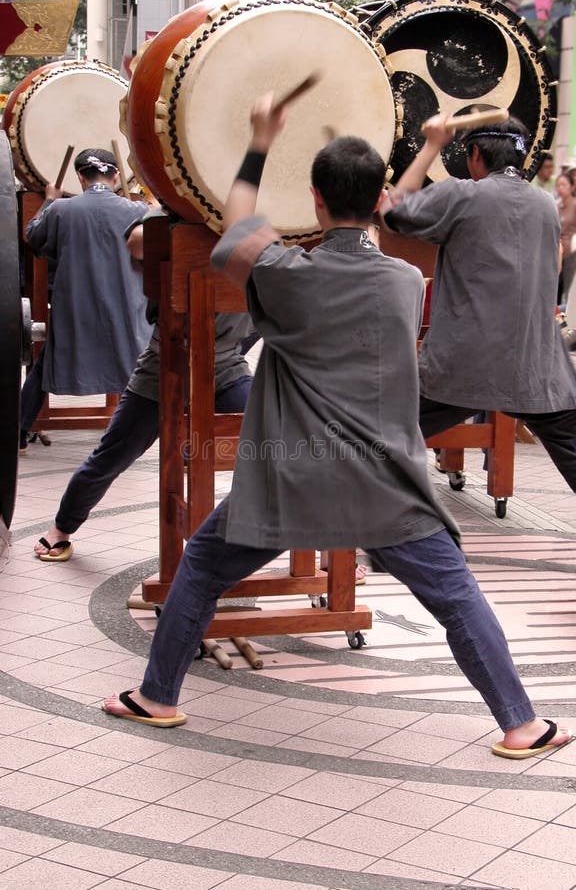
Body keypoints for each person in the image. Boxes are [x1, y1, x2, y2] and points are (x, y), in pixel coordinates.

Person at [102, 95, 573, 759]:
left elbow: (238, 227)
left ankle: (158, 697)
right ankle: (521, 725)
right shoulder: (405, 283)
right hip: (388, 485)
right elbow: (374, 239)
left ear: (316, 202)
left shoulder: (287, 277)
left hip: (290, 479)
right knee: (457, 596)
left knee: (202, 567)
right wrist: (411, 162)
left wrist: (263, 139)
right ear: (374, 196)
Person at [33, 210, 255, 562]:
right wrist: (204, 229)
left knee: (283, 441)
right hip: (166, 361)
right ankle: (62, 526)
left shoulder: (271, 222)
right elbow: (136, 242)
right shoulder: (185, 207)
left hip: (225, 362)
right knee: (113, 454)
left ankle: (318, 547)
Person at [382, 115, 576, 494]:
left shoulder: (462, 195)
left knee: (374, 436)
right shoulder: (544, 205)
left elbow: (393, 213)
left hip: (463, 368)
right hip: (537, 368)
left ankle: (351, 525)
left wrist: (433, 144)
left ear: (474, 154)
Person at [21, 148, 152, 451]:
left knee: (49, 362)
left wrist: (50, 199)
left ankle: (20, 428)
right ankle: (138, 433)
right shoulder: (136, 211)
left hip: (77, 307)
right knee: (142, 367)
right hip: (126, 307)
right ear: (116, 175)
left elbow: (34, 237)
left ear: (80, 177)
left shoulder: (61, 210)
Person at [556, 171, 576, 305]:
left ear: (572, 186)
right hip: (557, 251)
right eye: (558, 185)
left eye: (563, 185)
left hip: (572, 253)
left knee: (568, 291)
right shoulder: (556, 205)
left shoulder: (575, 205)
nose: (560, 188)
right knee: (556, 289)